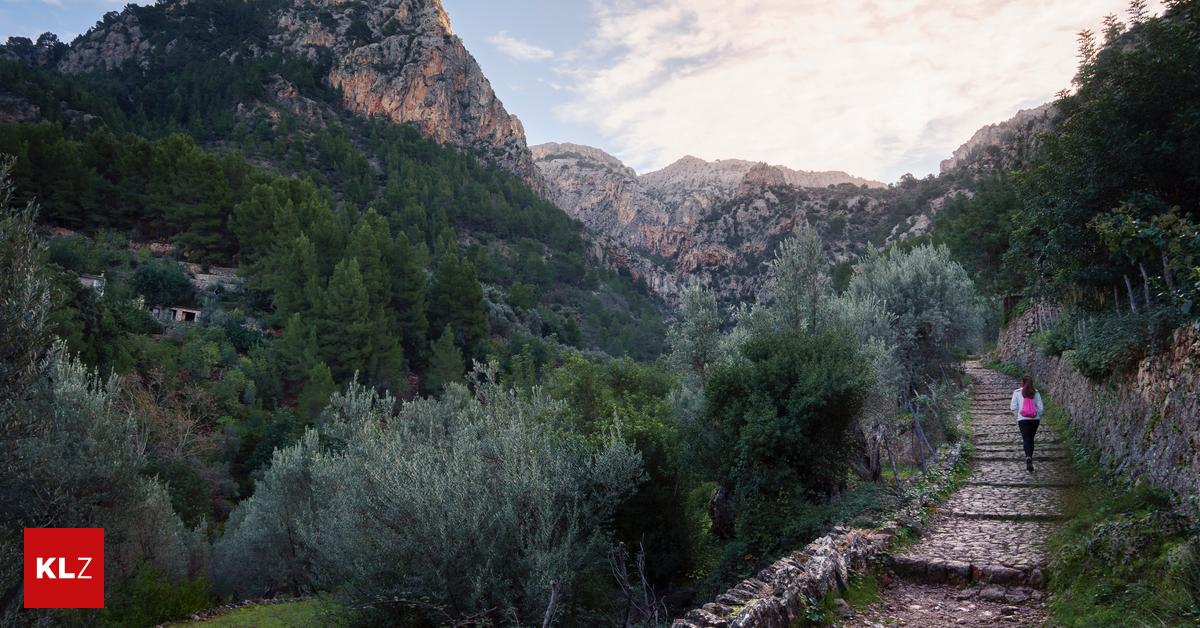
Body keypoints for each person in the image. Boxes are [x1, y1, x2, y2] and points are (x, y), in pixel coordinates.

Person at [1010, 376, 1044, 472]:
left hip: (1023, 419)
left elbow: (1013, 407)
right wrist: (1038, 416)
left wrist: (1018, 417)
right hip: (1034, 419)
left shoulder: (1017, 392)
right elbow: (1040, 407)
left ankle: (1028, 456)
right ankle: (1030, 457)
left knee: (1026, 438)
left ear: (1022, 383)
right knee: (1031, 439)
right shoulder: (1036, 392)